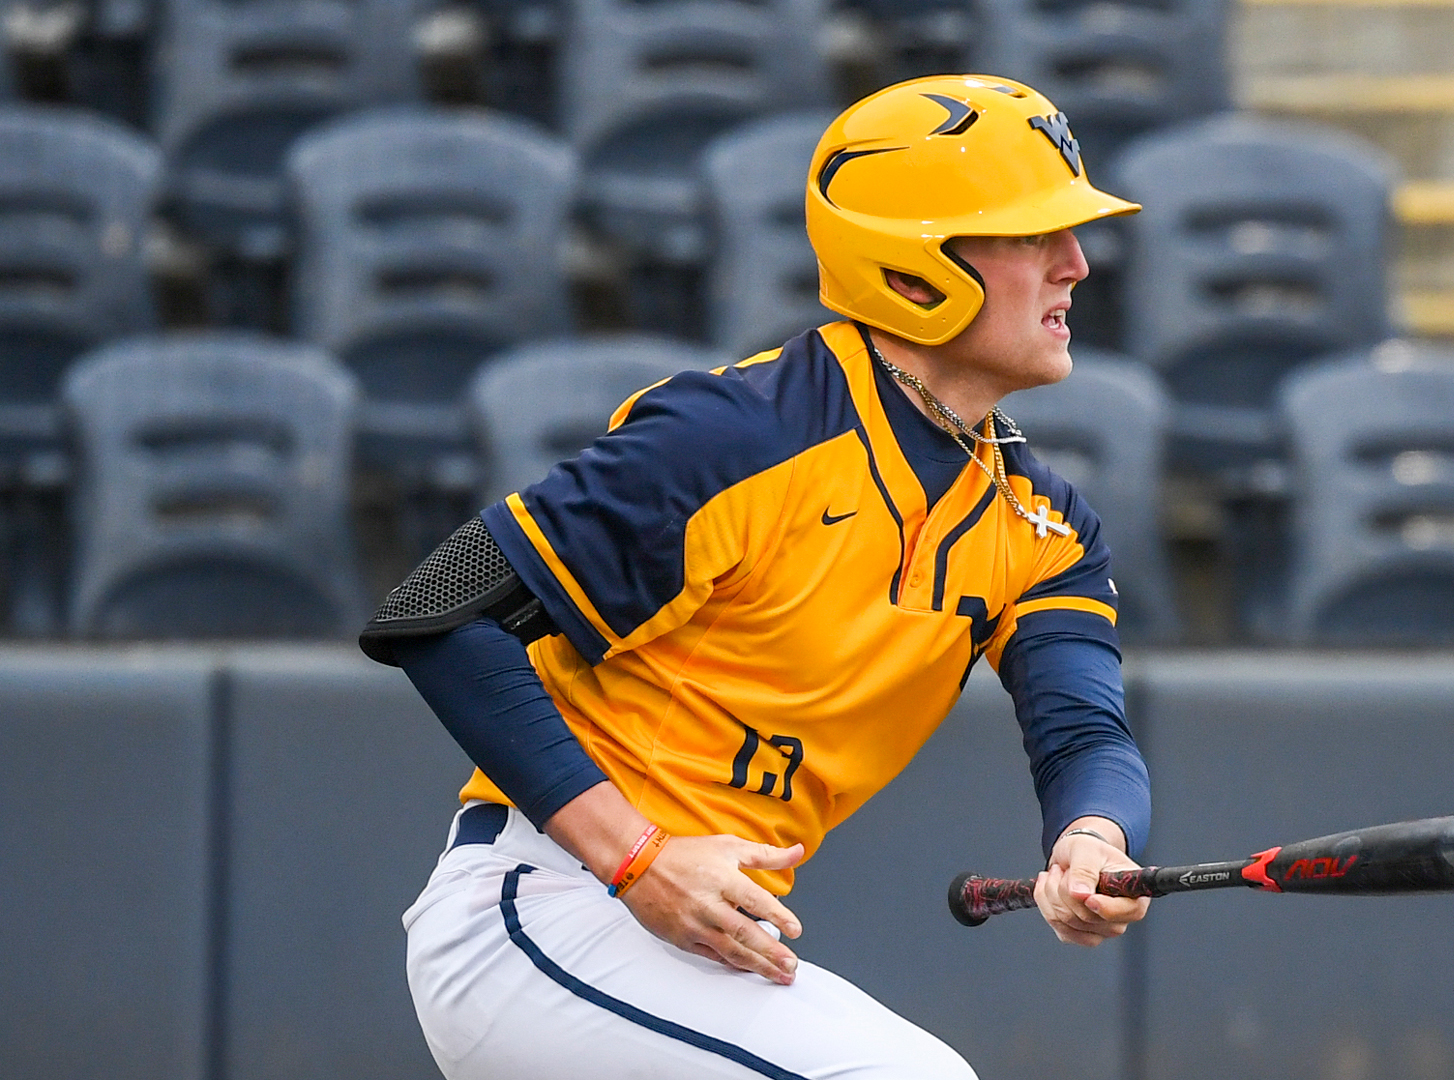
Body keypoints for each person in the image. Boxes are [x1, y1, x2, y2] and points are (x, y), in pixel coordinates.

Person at [360, 74, 1151, 1080]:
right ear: (916, 265)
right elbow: (436, 611)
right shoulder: (737, 434)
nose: (1076, 265)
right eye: (1034, 233)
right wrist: (635, 856)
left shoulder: (1046, 527)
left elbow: (1084, 731)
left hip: (686, 944)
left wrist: (1091, 837)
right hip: (547, 907)